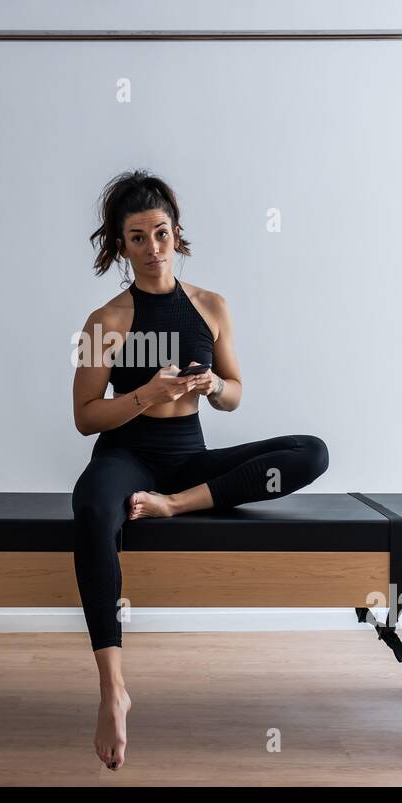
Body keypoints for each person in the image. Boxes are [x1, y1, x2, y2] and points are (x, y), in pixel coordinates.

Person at [71, 170, 330, 770]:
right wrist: (145, 393)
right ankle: (112, 687)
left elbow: (236, 393)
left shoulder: (213, 306)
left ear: (177, 234)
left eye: (161, 233)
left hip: (190, 462)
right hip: (125, 457)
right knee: (90, 509)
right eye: (137, 238)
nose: (153, 248)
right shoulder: (103, 322)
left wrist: (214, 386)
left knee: (311, 451)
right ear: (120, 246)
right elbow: (85, 418)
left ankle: (176, 504)